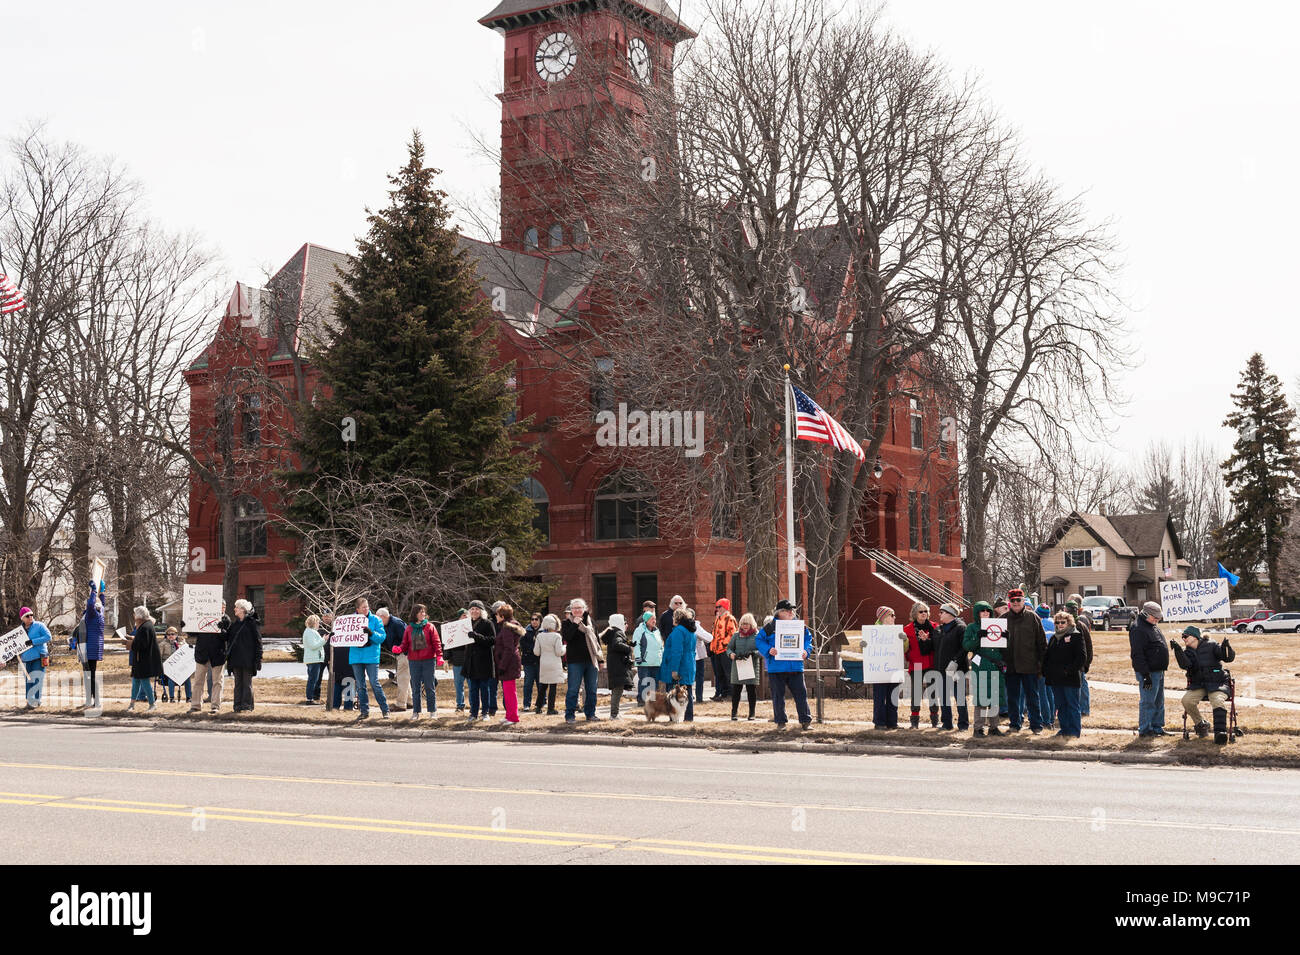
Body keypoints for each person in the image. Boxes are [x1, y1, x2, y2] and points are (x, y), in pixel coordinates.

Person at [1172, 625, 1236, 744]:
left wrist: (1226, 647)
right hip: (1199, 685)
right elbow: (1185, 665)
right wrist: (1178, 651)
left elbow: (1227, 658)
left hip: (1217, 683)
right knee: (1187, 700)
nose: (1183, 639)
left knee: (1217, 699)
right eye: (1182, 637)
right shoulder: (1188, 652)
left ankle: (1220, 733)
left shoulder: (1211, 645)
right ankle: (1201, 724)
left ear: (1195, 637)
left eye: (1185, 636)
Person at [756, 600, 814, 728]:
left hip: (795, 667)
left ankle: (805, 721)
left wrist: (806, 651)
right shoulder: (770, 627)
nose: (791, 613)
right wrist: (768, 650)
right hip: (776, 668)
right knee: (778, 696)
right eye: (787, 611)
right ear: (779, 613)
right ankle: (780, 722)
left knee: (801, 694)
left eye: (791, 610)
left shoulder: (799, 626)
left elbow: (808, 639)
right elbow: (759, 640)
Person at [1003, 588, 1046, 734]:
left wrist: (1042, 664)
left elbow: (1042, 643)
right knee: (1013, 698)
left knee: (1032, 697)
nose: (1016, 603)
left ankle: (1036, 725)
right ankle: (1015, 723)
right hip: (1010, 666)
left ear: (1023, 601)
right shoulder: (1002, 619)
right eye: (1013, 600)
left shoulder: (1033, 618)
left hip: (1030, 665)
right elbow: (995, 643)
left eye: (1018, 600)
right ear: (1009, 602)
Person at [962, 601, 1003, 736]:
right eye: (982, 611)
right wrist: (977, 637)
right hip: (980, 666)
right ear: (977, 613)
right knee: (981, 698)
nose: (985, 613)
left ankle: (994, 727)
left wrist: (1006, 638)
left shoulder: (996, 625)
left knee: (994, 698)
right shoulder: (971, 627)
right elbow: (967, 646)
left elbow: (1002, 648)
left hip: (995, 665)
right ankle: (978, 728)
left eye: (987, 611)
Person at [1129, 601, 1169, 737]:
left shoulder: (1152, 625)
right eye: (1155, 617)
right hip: (1149, 672)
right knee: (1148, 701)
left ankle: (1157, 727)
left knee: (1159, 701)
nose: (1157, 620)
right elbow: (1137, 654)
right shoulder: (1138, 629)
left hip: (1158, 670)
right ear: (1145, 614)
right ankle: (1146, 729)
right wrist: (1145, 675)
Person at [1044, 611, 1086, 738]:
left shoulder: (1076, 636)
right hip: (1057, 679)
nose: (1060, 625)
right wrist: (1047, 672)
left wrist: (1068, 670)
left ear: (1069, 622)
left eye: (1063, 622)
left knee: (1072, 705)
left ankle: (1074, 731)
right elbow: (1048, 658)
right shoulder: (1053, 638)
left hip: (1070, 678)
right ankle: (1064, 729)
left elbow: (1081, 658)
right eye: (1058, 622)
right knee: (1061, 706)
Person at [397, 604, 443, 719]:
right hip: (414, 661)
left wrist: (439, 656)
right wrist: (399, 648)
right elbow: (405, 644)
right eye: (420, 612)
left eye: (424, 612)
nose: (423, 614)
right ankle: (416, 712)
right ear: (415, 614)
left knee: (429, 686)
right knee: (415, 687)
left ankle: (432, 711)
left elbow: (437, 643)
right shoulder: (409, 628)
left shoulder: (430, 627)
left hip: (428, 660)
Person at [561, 598, 603, 723]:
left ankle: (590, 714)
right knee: (573, 689)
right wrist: (575, 624)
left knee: (591, 689)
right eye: (574, 608)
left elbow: (597, 642)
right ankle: (570, 715)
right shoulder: (567, 623)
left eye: (580, 608)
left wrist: (601, 660)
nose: (577, 610)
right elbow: (567, 637)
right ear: (571, 610)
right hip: (575, 662)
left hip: (591, 660)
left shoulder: (591, 622)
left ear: (584, 609)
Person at [350, 597, 389, 720]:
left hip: (371, 656)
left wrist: (371, 634)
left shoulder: (376, 620)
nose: (366, 609)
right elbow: (345, 636)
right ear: (357, 609)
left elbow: (382, 638)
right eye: (363, 607)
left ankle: (385, 709)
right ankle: (364, 711)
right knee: (360, 685)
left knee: (374, 683)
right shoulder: (351, 620)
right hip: (356, 656)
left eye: (367, 606)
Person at [70, 582, 105, 710]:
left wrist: (94, 590)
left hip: (88, 649)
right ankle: (90, 701)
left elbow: (90, 604)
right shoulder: (100, 614)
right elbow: (102, 604)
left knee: (89, 675)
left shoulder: (91, 614)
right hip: (94, 648)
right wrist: (102, 593)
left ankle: (94, 702)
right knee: (91, 674)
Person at [659, 607, 698, 721]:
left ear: (677, 617)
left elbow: (676, 652)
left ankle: (674, 717)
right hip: (689, 664)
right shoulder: (691, 631)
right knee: (688, 692)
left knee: (673, 693)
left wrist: (674, 670)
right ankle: (688, 717)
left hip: (679, 665)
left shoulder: (678, 631)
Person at [903, 602, 938, 729]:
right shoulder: (907, 629)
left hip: (931, 663)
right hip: (916, 664)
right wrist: (908, 658)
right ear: (915, 614)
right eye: (921, 612)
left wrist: (927, 640)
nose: (924, 614)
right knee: (916, 693)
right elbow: (905, 648)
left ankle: (934, 720)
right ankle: (914, 721)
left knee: (933, 693)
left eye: (926, 611)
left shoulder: (935, 627)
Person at [935, 602, 969, 731]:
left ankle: (963, 724)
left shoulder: (961, 628)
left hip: (957, 670)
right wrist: (925, 640)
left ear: (950, 614)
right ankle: (947, 723)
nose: (939, 614)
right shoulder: (939, 629)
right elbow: (933, 648)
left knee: (959, 698)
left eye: (942, 612)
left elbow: (964, 648)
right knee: (943, 698)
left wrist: (955, 661)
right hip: (941, 669)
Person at [225, 599, 263, 713]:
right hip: (236, 659)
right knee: (238, 684)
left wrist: (258, 659)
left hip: (248, 659)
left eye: (236, 607)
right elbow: (227, 639)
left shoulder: (252, 623)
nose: (234, 609)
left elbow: (258, 642)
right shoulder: (235, 625)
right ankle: (237, 706)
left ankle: (247, 706)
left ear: (242, 609)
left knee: (247, 684)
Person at [190, 603, 229, 714]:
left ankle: (215, 706)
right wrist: (186, 625)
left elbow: (227, 637)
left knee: (217, 681)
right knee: (198, 680)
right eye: (220, 606)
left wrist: (222, 629)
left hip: (217, 655)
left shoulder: (226, 619)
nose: (222, 608)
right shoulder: (203, 616)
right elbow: (193, 632)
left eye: (224, 607)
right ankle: (196, 705)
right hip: (202, 653)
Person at [870, 606, 905, 730]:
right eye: (892, 615)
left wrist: (904, 640)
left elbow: (904, 649)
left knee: (893, 697)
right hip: (879, 671)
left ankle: (892, 722)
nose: (894, 617)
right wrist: (863, 644)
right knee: (880, 698)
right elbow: (866, 650)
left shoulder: (897, 631)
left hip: (893, 670)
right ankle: (879, 722)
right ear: (884, 617)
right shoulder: (873, 632)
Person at [462, 600, 497, 721]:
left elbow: (492, 640)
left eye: (477, 609)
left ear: (481, 611)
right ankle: (473, 713)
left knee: (484, 689)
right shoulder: (465, 624)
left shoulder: (488, 623)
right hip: (471, 662)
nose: (474, 611)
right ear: (469, 611)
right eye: (472, 609)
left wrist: (476, 636)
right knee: (473, 690)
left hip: (484, 662)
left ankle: (485, 712)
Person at [125, 606, 162, 712]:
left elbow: (143, 644)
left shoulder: (145, 627)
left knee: (144, 681)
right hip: (140, 659)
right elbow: (141, 639)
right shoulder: (145, 625)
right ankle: (132, 704)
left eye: (135, 614)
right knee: (136, 681)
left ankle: (152, 704)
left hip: (144, 660)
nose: (133, 616)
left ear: (139, 616)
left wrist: (131, 643)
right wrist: (133, 638)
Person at [727, 613, 762, 721]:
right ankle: (734, 712)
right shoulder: (736, 635)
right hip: (738, 665)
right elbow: (729, 648)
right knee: (736, 690)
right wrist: (731, 654)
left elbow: (761, 651)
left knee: (751, 690)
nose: (744, 626)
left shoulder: (757, 636)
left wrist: (753, 653)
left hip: (751, 666)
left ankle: (752, 713)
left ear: (751, 624)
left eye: (746, 624)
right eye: (742, 624)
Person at [494, 603, 525, 724]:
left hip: (508, 663)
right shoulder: (509, 626)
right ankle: (509, 715)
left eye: (497, 614)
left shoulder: (507, 628)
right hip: (510, 662)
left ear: (502, 615)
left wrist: (502, 666)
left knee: (509, 691)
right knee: (508, 691)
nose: (496, 616)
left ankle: (513, 717)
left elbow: (508, 648)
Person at [601, 613, 634, 719]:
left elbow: (620, 642)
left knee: (617, 690)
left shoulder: (612, 632)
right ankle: (614, 714)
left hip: (614, 665)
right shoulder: (618, 632)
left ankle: (615, 713)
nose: (626, 625)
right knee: (618, 690)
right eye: (624, 622)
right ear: (620, 622)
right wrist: (629, 649)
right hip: (618, 665)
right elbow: (617, 644)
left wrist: (630, 644)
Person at [17, 607, 52, 708]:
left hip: (39, 657)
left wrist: (33, 641)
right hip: (25, 659)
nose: (30, 617)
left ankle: (37, 701)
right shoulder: (20, 631)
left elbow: (48, 637)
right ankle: (30, 701)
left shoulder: (39, 626)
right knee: (28, 680)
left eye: (31, 615)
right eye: (27, 616)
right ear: (22, 618)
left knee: (37, 678)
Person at [1065, 596, 1093, 717]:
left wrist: (1086, 663)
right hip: (1069, 663)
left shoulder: (1080, 626)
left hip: (1079, 663)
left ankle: (1083, 709)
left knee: (1081, 687)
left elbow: (1089, 646)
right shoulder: (1064, 624)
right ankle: (1074, 710)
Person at [377, 607, 409, 712]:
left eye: (378, 618)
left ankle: (401, 704)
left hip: (405, 654)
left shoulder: (396, 623)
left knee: (401, 679)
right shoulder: (386, 625)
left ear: (383, 616)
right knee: (404, 678)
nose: (377, 620)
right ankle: (410, 701)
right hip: (400, 655)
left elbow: (407, 638)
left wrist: (404, 652)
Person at [533, 613, 564, 715]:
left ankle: (538, 707)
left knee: (543, 686)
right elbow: (559, 652)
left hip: (544, 663)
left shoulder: (539, 636)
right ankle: (551, 708)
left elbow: (536, 652)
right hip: (554, 663)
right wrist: (565, 648)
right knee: (553, 686)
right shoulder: (557, 636)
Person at [632, 611, 663, 705]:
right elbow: (636, 645)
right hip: (644, 661)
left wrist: (662, 656)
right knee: (645, 681)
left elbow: (661, 646)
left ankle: (652, 701)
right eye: (652, 619)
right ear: (646, 620)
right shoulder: (639, 630)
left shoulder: (657, 631)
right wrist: (638, 657)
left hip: (656, 661)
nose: (654, 621)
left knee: (654, 682)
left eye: (655, 618)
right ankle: (642, 701)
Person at [709, 598, 736, 701]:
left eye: (719, 606)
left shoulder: (729, 618)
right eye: (717, 607)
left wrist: (724, 643)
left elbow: (733, 633)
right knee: (719, 674)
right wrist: (713, 646)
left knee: (728, 673)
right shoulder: (718, 618)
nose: (717, 609)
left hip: (725, 650)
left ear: (725, 607)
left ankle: (730, 694)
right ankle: (724, 694)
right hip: (717, 651)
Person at [159, 626, 192, 704]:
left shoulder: (180, 643)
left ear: (176, 635)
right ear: (166, 635)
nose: (171, 636)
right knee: (172, 678)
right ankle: (172, 698)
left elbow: (186, 652)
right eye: (168, 634)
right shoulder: (163, 644)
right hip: (168, 668)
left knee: (187, 678)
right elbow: (159, 657)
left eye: (173, 634)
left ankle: (189, 697)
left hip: (179, 667)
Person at [447, 608, 469, 712]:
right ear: (459, 617)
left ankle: (474, 704)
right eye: (463, 615)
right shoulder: (453, 629)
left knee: (472, 684)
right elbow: (447, 645)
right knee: (459, 685)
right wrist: (446, 659)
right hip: (457, 660)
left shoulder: (472, 627)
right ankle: (460, 705)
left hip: (470, 661)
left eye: (466, 615)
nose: (465, 617)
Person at [520, 611, 542, 711]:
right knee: (528, 683)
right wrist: (534, 649)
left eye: (536, 619)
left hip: (540, 661)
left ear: (540, 621)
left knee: (540, 683)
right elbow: (523, 645)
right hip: (528, 661)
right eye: (532, 619)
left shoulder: (543, 631)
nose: (534, 621)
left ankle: (542, 702)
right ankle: (526, 704)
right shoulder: (525, 631)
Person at [302, 614, 326, 704]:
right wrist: (324, 640)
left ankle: (310, 698)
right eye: (318, 622)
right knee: (313, 680)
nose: (319, 624)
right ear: (314, 623)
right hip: (313, 659)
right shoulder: (310, 632)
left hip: (313, 658)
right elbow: (313, 646)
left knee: (313, 679)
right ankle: (309, 699)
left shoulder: (310, 631)